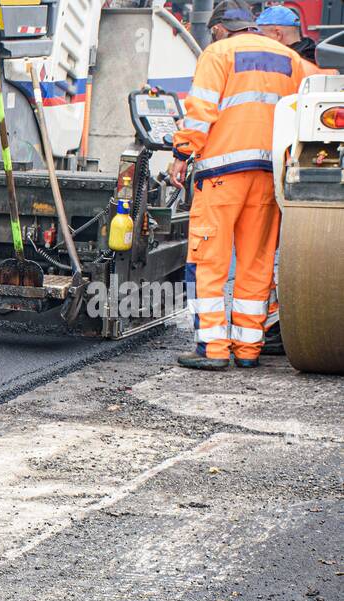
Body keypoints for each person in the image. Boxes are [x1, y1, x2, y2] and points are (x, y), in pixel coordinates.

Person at [168, 0, 313, 369]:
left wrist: (182, 155)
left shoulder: (218, 54)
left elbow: (200, 113)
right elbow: (318, 90)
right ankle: (249, 349)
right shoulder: (288, 58)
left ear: (219, 28)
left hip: (222, 174)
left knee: (209, 260)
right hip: (269, 175)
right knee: (257, 262)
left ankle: (213, 349)